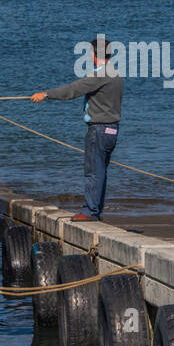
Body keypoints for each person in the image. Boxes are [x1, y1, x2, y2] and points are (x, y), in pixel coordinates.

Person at [31, 35, 123, 222]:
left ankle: (90, 210)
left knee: (93, 171)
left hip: (99, 130)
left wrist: (46, 94)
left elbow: (73, 90)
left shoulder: (101, 75)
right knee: (101, 171)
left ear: (95, 54)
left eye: (90, 52)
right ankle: (96, 210)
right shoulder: (116, 74)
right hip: (112, 130)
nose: (89, 55)